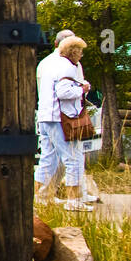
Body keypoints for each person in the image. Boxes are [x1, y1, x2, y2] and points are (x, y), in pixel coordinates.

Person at [35, 36, 93, 212]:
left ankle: (39, 196)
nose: (81, 55)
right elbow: (63, 92)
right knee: (73, 158)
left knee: (48, 158)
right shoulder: (67, 66)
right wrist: (81, 89)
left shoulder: (48, 63)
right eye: (80, 51)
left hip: (45, 116)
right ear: (73, 51)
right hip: (60, 119)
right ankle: (73, 199)